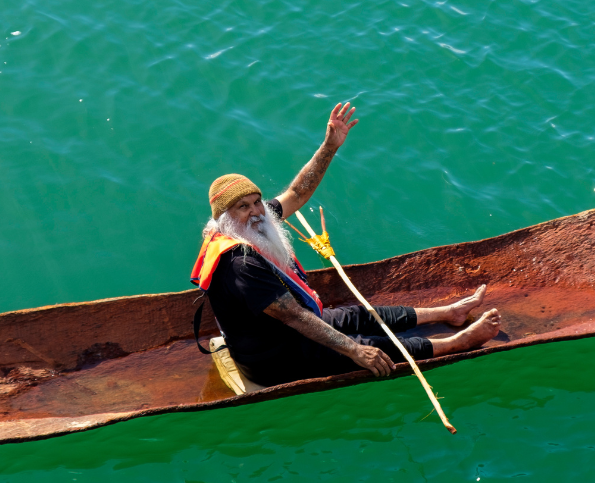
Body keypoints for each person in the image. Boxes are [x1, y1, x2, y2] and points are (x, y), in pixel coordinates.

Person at [190, 102, 501, 387]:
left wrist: (329, 146)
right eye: (243, 207)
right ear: (226, 218)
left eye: (256, 202)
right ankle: (457, 343)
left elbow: (297, 194)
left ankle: (448, 313)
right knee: (369, 347)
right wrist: (355, 351)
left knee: (358, 316)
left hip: (283, 332)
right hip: (273, 358)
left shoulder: (254, 223)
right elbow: (294, 317)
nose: (256, 212)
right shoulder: (240, 264)